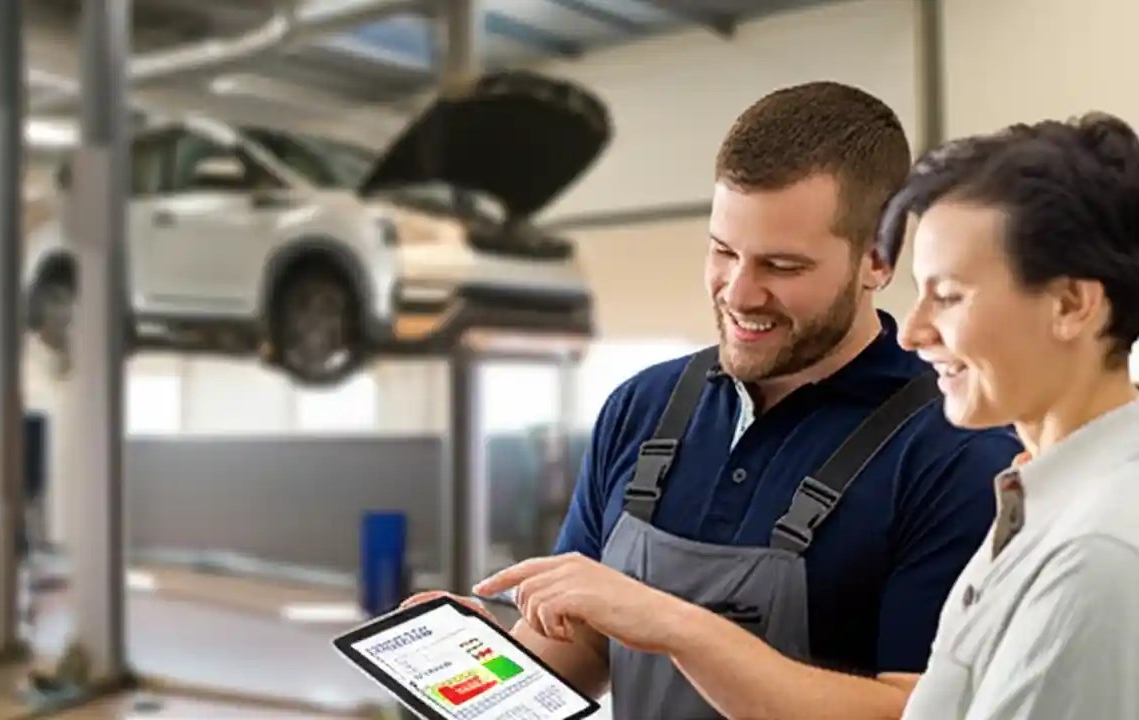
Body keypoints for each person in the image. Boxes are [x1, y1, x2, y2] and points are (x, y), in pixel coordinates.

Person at [405, 81, 1023, 718]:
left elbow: (920, 711)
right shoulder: (642, 406)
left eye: (782, 267)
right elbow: (579, 643)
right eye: (723, 252)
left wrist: (678, 626)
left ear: (878, 259)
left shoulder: (954, 450)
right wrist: (481, 669)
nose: (740, 293)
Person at [883, 114, 1139, 719]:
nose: (912, 332)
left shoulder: (1096, 552)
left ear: (1071, 304)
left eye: (947, 296)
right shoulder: (1046, 502)